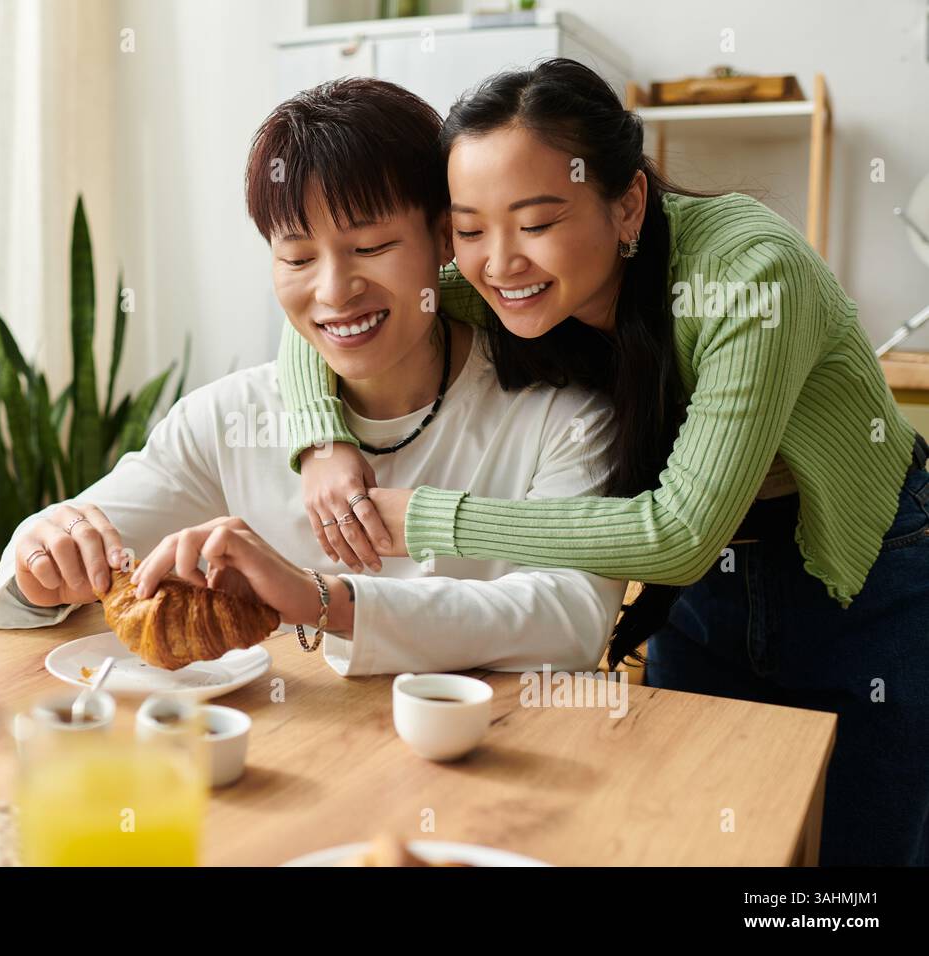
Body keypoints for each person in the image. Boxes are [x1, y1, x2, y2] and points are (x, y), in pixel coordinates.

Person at [277, 58, 929, 866]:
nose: (500, 261)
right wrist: (321, 438)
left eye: (537, 221)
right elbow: (340, 301)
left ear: (627, 204)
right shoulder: (501, 284)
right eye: (469, 229)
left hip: (866, 582)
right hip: (704, 600)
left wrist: (430, 516)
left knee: (858, 870)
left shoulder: (748, 273)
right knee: (695, 839)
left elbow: (682, 531)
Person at [0, 76, 624, 679]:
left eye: (371, 248)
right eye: (296, 255)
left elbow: (569, 618)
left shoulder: (561, 414)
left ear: (445, 236)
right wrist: (42, 564)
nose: (335, 291)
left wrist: (323, 601)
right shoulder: (226, 420)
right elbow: (57, 550)